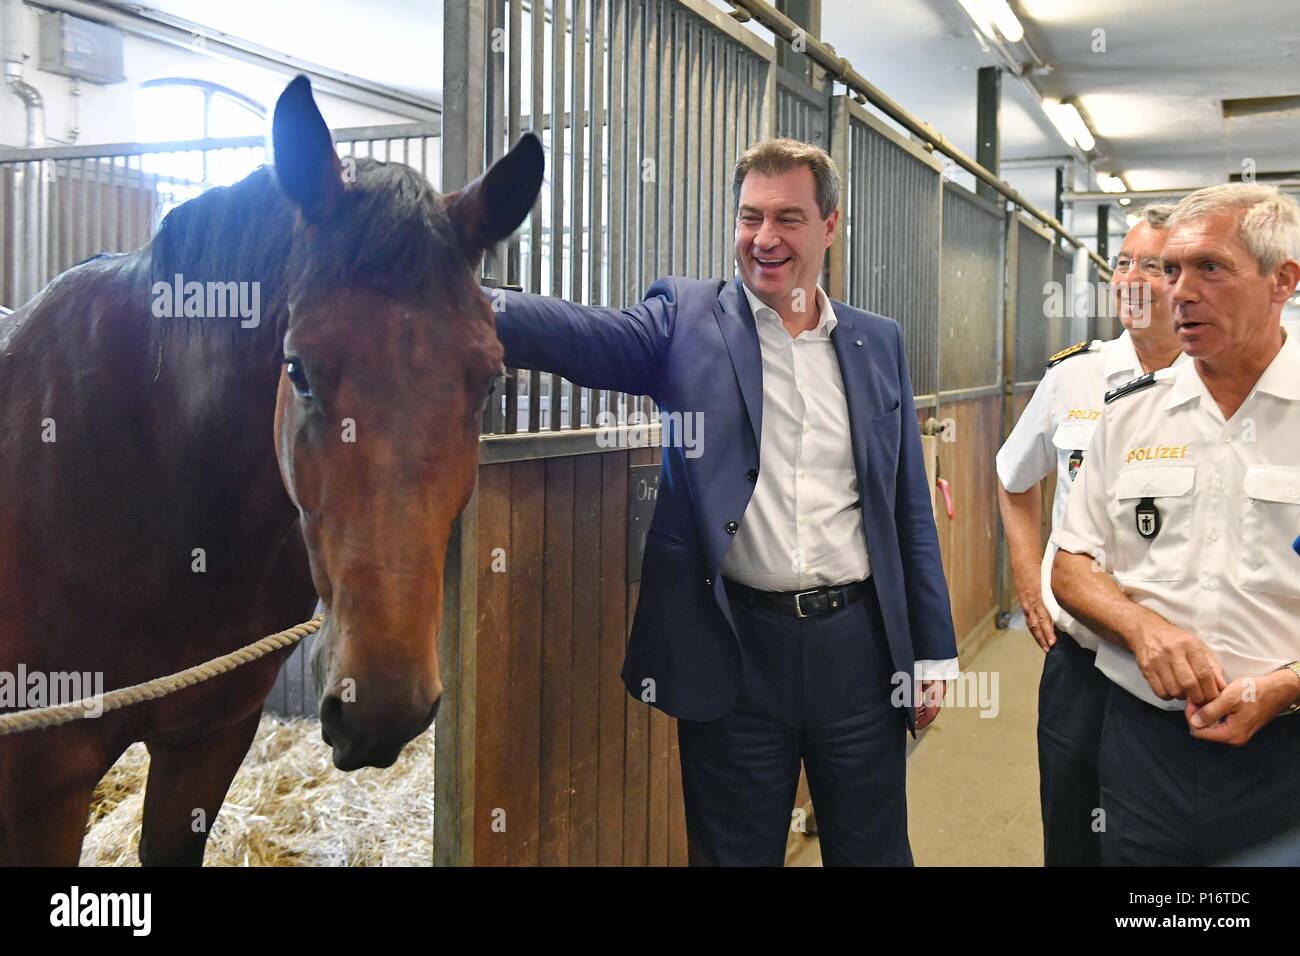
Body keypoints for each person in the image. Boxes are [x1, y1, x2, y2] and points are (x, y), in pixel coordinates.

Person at [490, 138, 958, 865]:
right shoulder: (687, 318)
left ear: (830, 227)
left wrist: (932, 652)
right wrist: (462, 297)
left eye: (788, 219)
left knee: (874, 854)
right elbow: (582, 336)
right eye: (749, 217)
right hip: (737, 653)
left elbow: (907, 511)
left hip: (859, 652)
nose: (764, 239)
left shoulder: (876, 342)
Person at [1051, 183, 1300, 864]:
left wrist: (1287, 684)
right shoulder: (1131, 415)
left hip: (1288, 751)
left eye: (1210, 269)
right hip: (1144, 745)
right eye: (1172, 270)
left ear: (1283, 280)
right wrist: (1143, 629)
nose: (1178, 292)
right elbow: (1071, 564)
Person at [995, 204, 1186, 865]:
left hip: (1180, 666)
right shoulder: (1073, 374)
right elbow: (1013, 479)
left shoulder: (1214, 383)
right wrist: (1028, 580)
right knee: (1073, 837)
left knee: (1161, 845)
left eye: (1155, 266)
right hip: (1081, 663)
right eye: (1123, 262)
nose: (1133, 278)